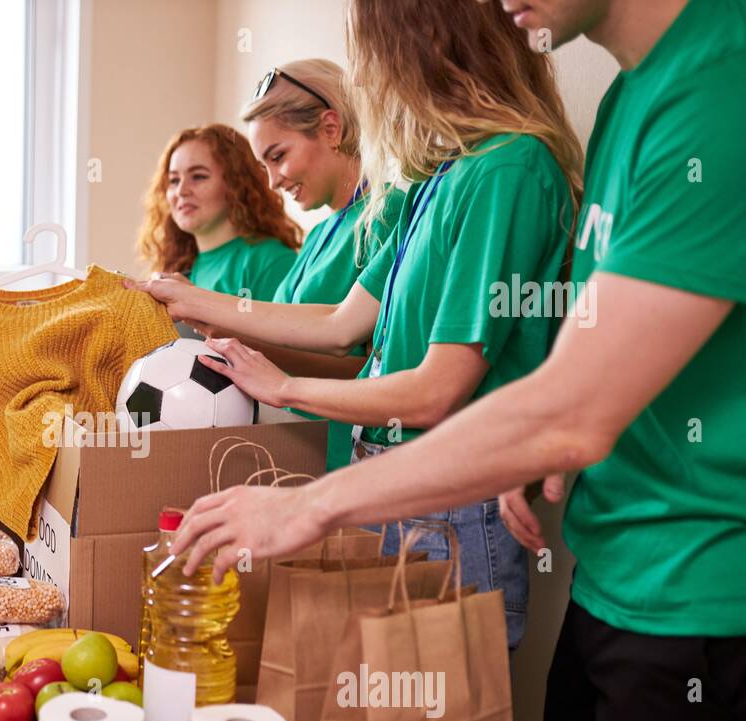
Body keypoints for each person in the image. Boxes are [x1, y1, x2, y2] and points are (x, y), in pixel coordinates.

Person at [171, 0, 745, 721]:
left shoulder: (683, 96)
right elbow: (587, 364)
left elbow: (487, 392)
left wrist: (310, 497)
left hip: (686, 592)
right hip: (608, 577)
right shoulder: (615, 105)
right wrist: (542, 446)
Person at [131, 0, 583, 661]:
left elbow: (436, 392)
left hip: (448, 497)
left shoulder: (508, 168)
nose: (370, 86)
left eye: (375, 64)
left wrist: (286, 388)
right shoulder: (437, 180)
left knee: (439, 714)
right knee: (386, 710)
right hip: (387, 482)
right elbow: (344, 321)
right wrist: (193, 301)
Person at [220, 58, 407, 471]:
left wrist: (246, 346)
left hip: (345, 461)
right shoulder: (319, 235)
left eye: (278, 156)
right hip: (293, 456)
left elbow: (371, 370)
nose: (273, 181)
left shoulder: (387, 215)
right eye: (264, 166)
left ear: (331, 128)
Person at [136, 124, 300, 322]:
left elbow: (284, 339)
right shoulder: (178, 269)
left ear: (236, 184)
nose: (181, 191)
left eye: (198, 177)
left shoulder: (271, 261)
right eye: (174, 180)